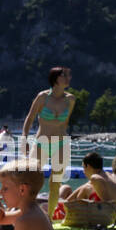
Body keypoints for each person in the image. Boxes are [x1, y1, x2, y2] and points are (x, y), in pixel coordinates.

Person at [20, 66, 75, 220]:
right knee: (30, 178)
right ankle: (24, 212)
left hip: (61, 143)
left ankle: (49, 217)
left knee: (55, 182)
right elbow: (30, 118)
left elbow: (66, 123)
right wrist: (24, 138)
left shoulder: (70, 99)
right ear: (56, 79)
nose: (68, 79)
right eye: (65, 76)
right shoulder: (42, 97)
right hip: (41, 142)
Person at [59, 152, 116, 222]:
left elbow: (108, 204)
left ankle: (67, 212)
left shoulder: (95, 178)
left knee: (85, 189)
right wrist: (66, 202)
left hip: (115, 216)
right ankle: (63, 208)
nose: (84, 172)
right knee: (83, 188)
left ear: (87, 166)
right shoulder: (106, 175)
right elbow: (83, 186)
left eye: (83, 167)